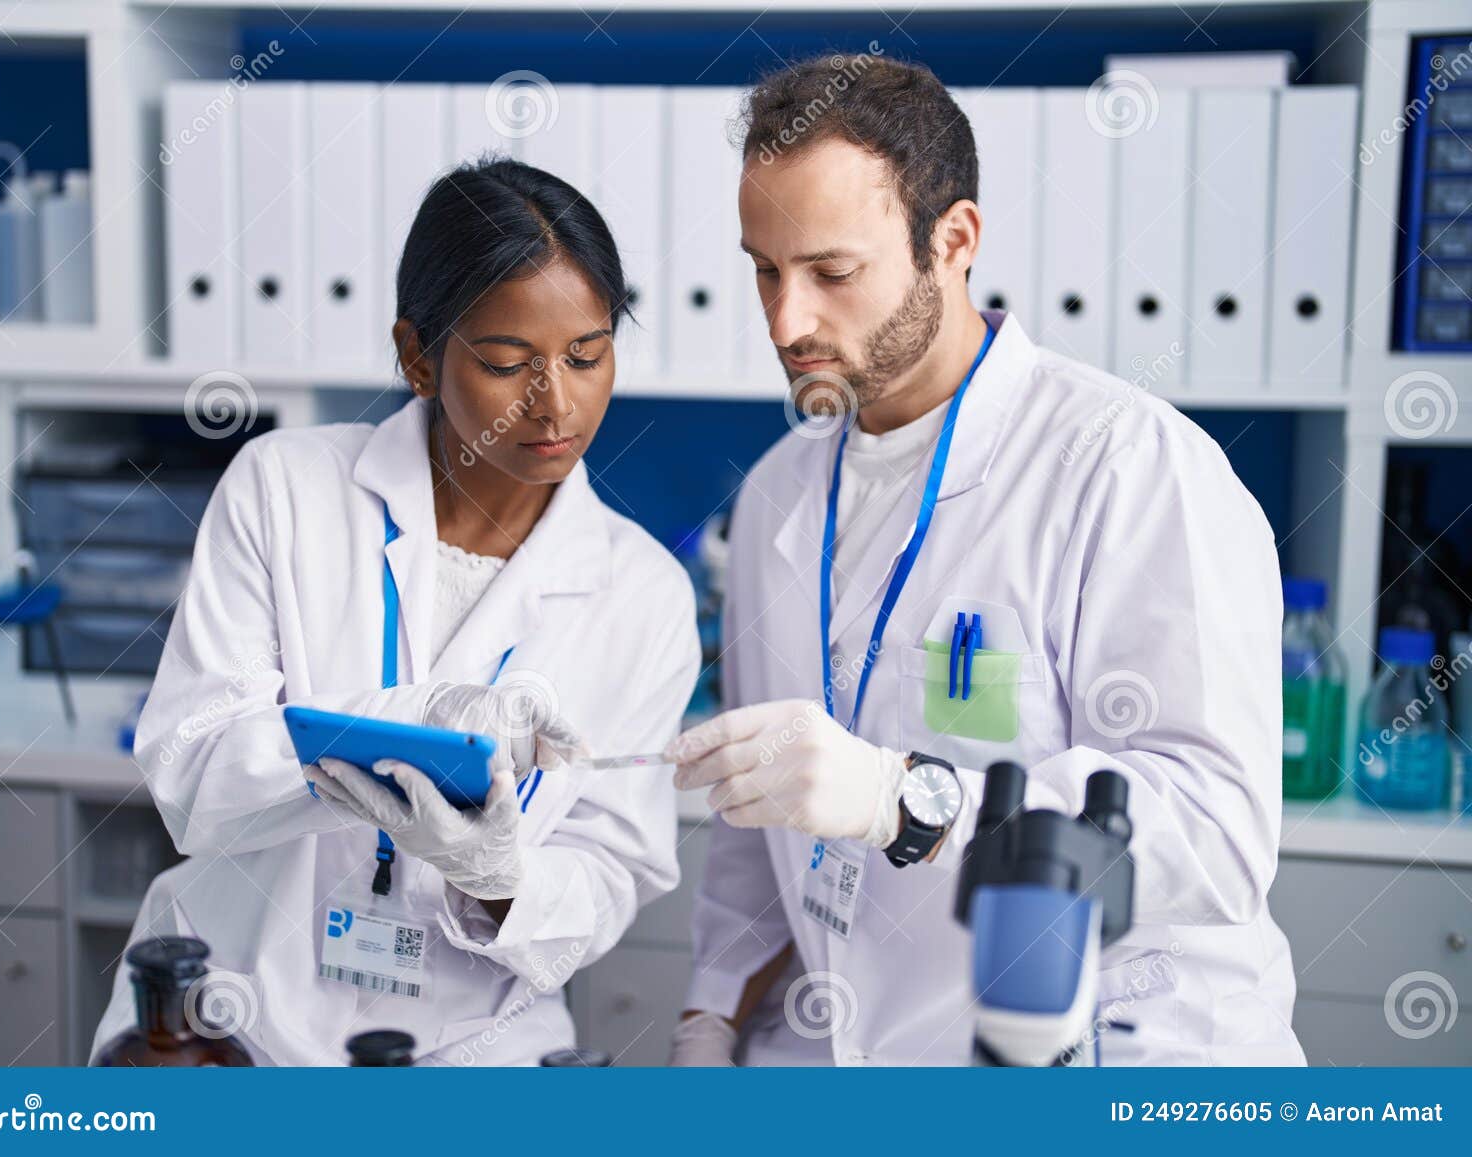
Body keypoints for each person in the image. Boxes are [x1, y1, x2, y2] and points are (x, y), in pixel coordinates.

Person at [668, 56, 1305, 1066]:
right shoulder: (777, 496)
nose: (787, 322)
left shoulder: (1127, 465)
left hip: (1115, 1058)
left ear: (952, 240)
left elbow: (1217, 830)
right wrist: (710, 1014)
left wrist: (903, 798)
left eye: (831, 273)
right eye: (763, 268)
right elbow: (763, 821)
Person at [90, 158, 700, 1066]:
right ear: (418, 356)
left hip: (474, 1046)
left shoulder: (643, 594)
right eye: (506, 363)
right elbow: (194, 776)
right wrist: (403, 725)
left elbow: (614, 868)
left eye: (588, 353)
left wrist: (499, 880)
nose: (558, 402)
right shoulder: (286, 490)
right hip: (234, 1021)